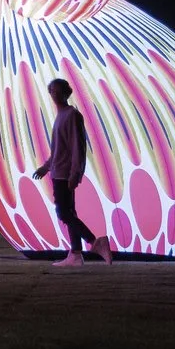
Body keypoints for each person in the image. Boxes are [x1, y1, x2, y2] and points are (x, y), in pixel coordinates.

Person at [31, 77, 114, 266]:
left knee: (63, 213)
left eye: (57, 90)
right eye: (52, 90)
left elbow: (78, 147)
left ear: (65, 93)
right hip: (58, 172)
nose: (54, 94)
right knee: (69, 212)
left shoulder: (72, 115)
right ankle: (75, 253)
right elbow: (58, 150)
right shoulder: (60, 116)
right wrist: (46, 167)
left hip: (65, 173)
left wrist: (75, 174)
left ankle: (95, 242)